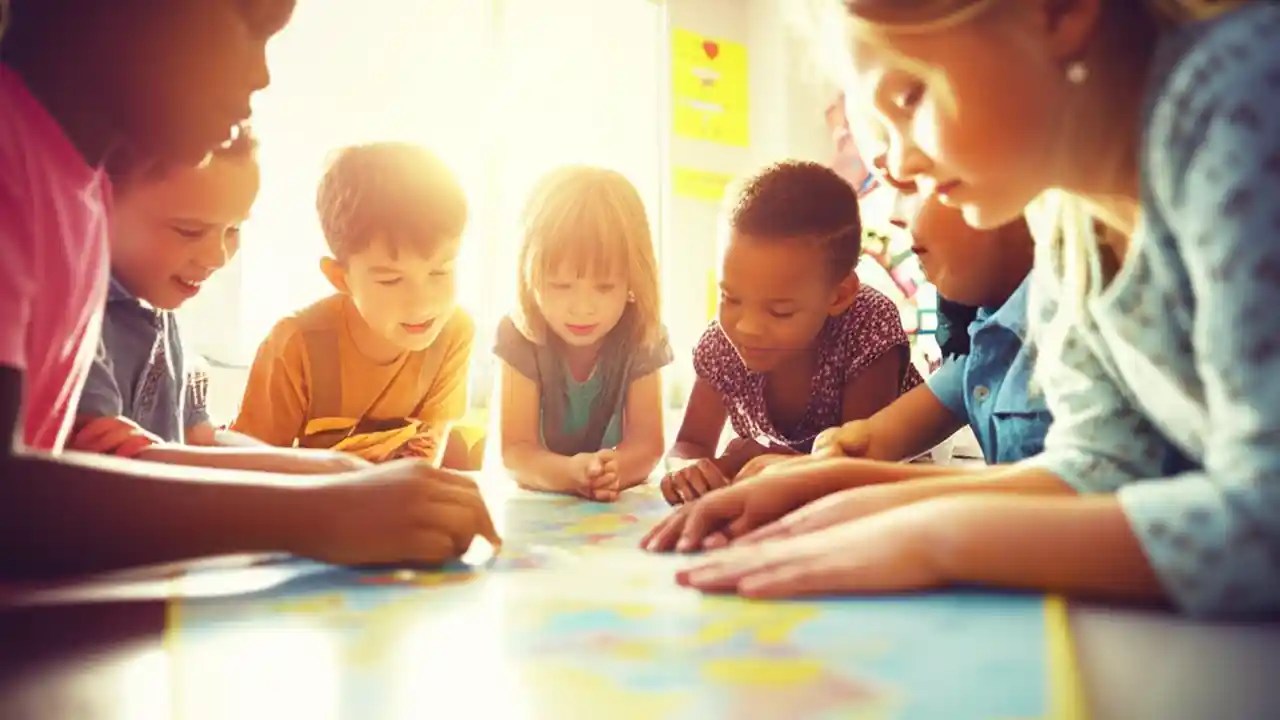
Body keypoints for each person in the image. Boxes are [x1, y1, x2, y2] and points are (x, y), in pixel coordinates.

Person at [666, 0, 1280, 618]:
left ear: (1060, 12)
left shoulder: (1242, 101)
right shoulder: (1067, 219)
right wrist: (834, 484)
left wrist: (935, 540)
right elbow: (1096, 467)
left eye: (909, 98)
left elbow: (1265, 521)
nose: (899, 167)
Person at [0, 0, 497, 579]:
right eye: (250, 30)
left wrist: (338, 478)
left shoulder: (77, 189)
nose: (261, 75)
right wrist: (318, 513)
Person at [644, 194, 1048, 552]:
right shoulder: (975, 354)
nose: (892, 215)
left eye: (928, 182)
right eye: (730, 297)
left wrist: (809, 474)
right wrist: (806, 470)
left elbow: (1076, 487)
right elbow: (865, 442)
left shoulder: (1067, 330)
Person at [660, 160, 922, 505]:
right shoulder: (721, 343)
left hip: (905, 494)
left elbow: (862, 470)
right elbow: (689, 443)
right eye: (730, 297)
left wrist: (754, 460)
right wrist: (688, 468)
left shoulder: (866, 325)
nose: (746, 327)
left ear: (839, 295)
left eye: (780, 310)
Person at [233, 143, 475, 465]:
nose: (422, 303)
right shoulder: (297, 346)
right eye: (390, 280)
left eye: (440, 271)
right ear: (340, 278)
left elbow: (424, 461)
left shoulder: (453, 333)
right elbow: (251, 472)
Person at [495, 166, 671, 502]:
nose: (582, 308)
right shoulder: (518, 333)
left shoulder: (643, 333)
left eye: (605, 287)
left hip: (612, 510)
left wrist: (612, 470)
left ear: (633, 281)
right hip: (536, 505)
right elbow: (516, 452)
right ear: (529, 277)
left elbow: (647, 445)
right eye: (560, 286)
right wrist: (571, 474)